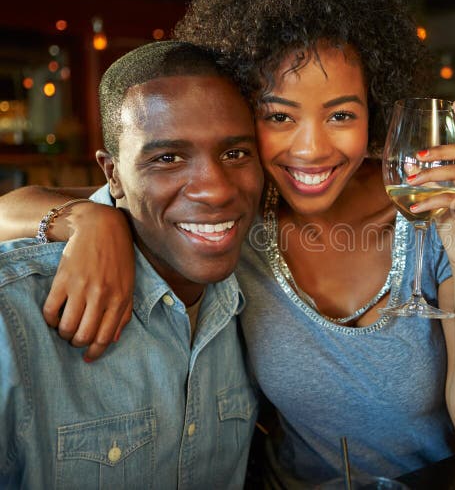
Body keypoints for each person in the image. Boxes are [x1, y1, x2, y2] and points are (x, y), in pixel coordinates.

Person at [0, 0, 455, 485]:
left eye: (341, 115)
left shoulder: (429, 215)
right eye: (279, 117)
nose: (312, 149)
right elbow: (26, 204)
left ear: (376, 113)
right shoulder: (234, 213)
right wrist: (90, 221)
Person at [0, 41, 264, 487]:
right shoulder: (14, 317)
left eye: (236, 153)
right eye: (167, 158)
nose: (215, 190)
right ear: (113, 175)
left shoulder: (259, 281)